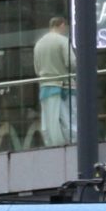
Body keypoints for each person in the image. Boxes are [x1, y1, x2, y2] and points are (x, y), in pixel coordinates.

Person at [34, 16, 74, 147]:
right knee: (68, 120)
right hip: (63, 86)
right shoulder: (62, 41)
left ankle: (51, 146)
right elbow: (72, 63)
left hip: (45, 87)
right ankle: (72, 145)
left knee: (48, 122)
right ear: (62, 25)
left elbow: (36, 68)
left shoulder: (39, 43)